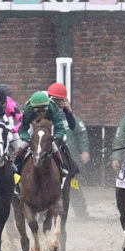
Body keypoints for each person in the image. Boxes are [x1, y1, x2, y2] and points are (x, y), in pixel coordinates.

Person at [48, 82, 88, 217]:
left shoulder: (69, 115)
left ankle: (81, 212)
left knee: (72, 176)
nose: (59, 104)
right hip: (45, 147)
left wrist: (69, 112)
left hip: (65, 151)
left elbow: (75, 128)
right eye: (56, 100)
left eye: (61, 100)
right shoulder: (44, 110)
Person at [16, 90, 70, 178]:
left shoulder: (53, 108)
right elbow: (23, 129)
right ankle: (16, 165)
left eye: (44, 110)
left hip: (49, 129)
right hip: (33, 129)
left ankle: (61, 166)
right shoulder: (28, 110)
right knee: (23, 146)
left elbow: (59, 127)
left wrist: (56, 136)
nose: (42, 113)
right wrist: (27, 138)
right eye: (38, 111)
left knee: (54, 146)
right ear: (33, 109)